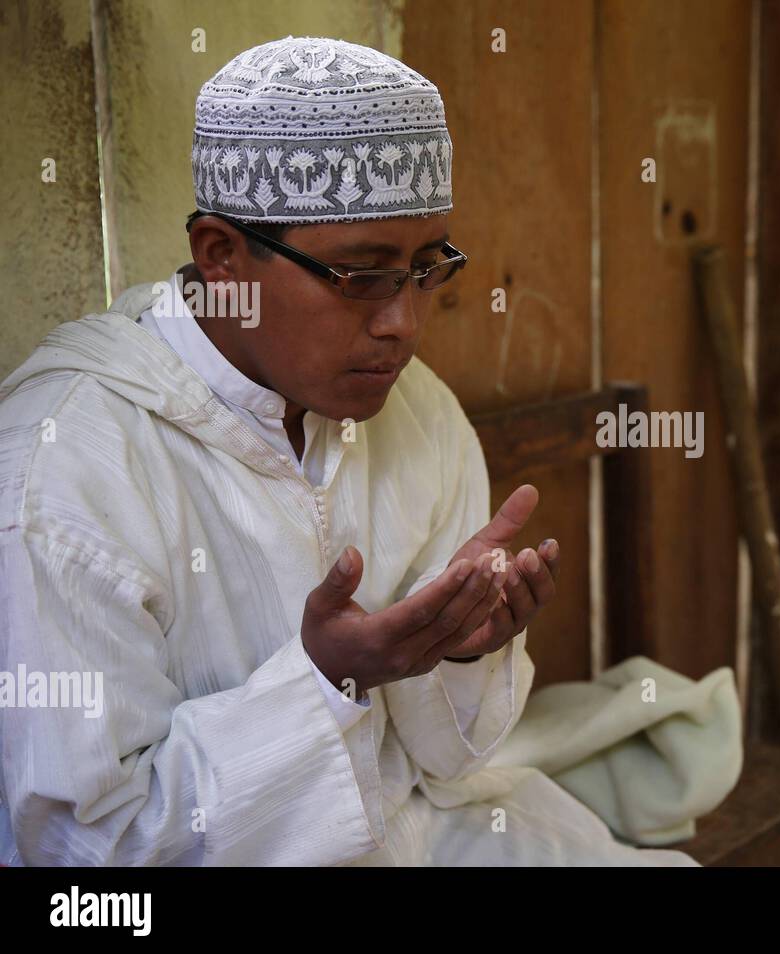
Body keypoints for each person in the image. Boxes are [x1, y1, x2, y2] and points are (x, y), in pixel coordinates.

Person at [0, 35, 697, 867]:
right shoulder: (63, 470)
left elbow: (442, 767)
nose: (403, 322)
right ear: (222, 257)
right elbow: (85, 848)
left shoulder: (416, 409)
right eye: (359, 275)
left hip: (429, 833)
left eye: (427, 267)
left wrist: (462, 650)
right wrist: (324, 681)